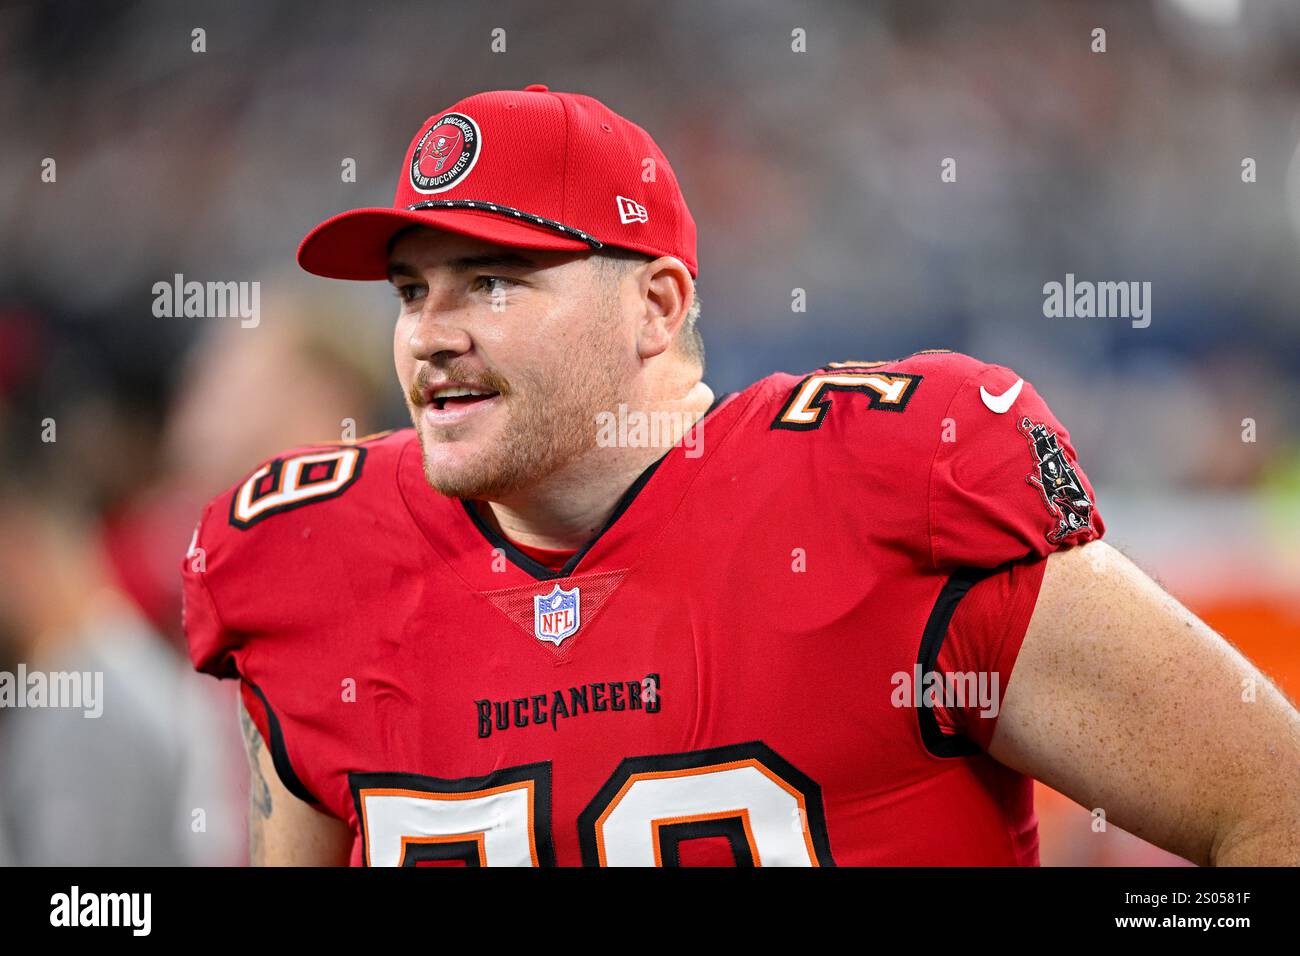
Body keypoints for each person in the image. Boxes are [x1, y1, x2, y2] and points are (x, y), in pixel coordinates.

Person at [182, 85, 1300, 866]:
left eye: (493, 282)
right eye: (412, 292)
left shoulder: (883, 484)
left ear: (656, 306)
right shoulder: (307, 555)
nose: (432, 333)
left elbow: (1273, 801)